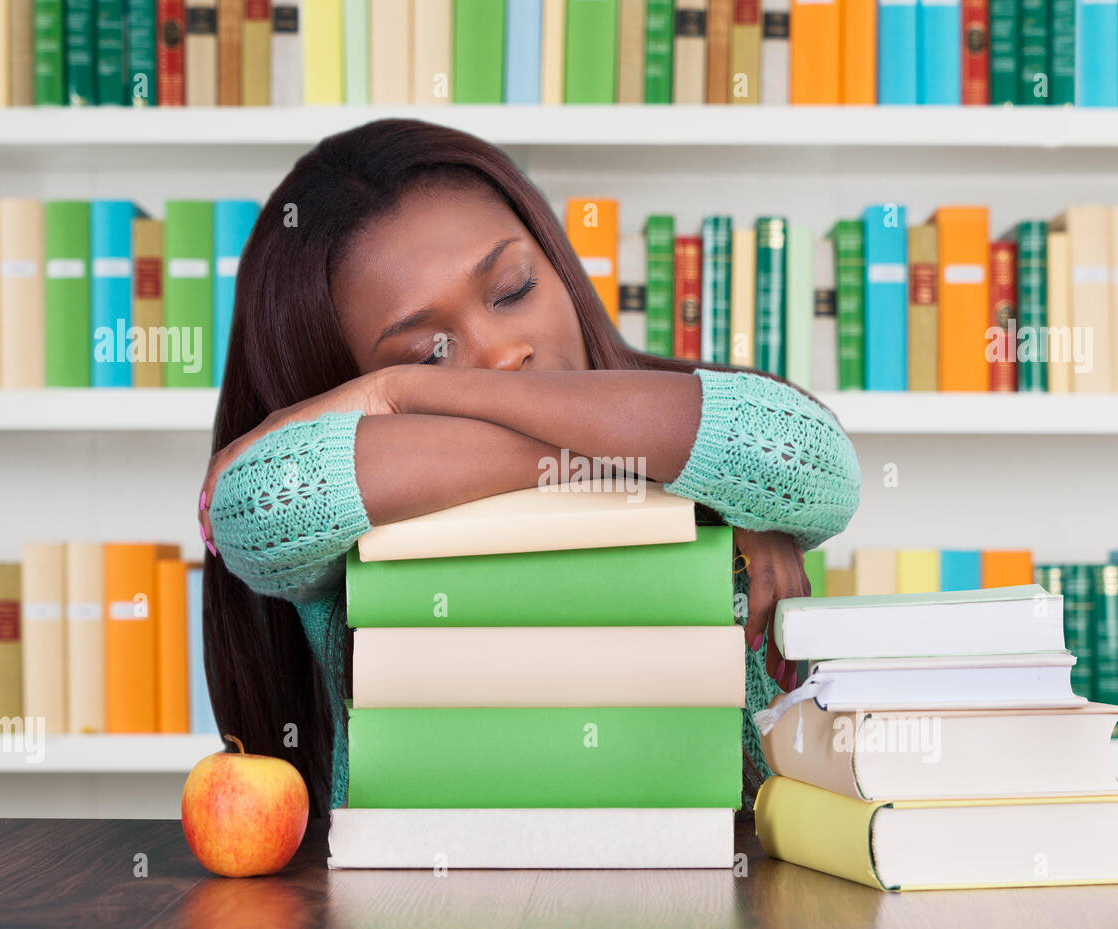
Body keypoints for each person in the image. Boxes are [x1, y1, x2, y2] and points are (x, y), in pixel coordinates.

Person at [195, 118, 862, 818]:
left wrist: (408, 390)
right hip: (429, 917)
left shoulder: (696, 436)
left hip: (730, 907)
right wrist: (656, 463)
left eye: (513, 289)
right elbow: (255, 503)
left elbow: (819, 463)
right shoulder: (337, 531)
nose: (504, 352)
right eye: (427, 353)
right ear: (331, 394)